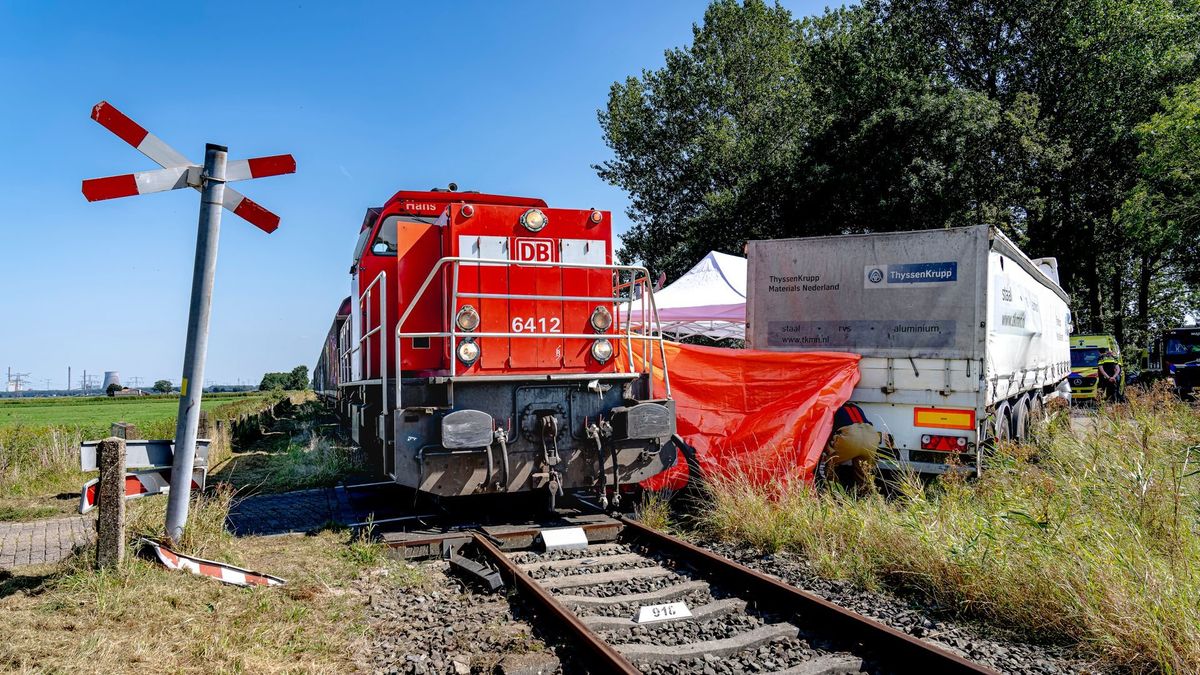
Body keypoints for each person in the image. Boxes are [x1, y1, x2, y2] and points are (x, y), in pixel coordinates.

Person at [820, 403, 882, 491]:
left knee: (828, 464)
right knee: (864, 472)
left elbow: (826, 432)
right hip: (871, 437)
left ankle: (835, 493)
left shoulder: (834, 409)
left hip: (850, 437)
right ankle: (867, 496)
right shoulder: (856, 407)